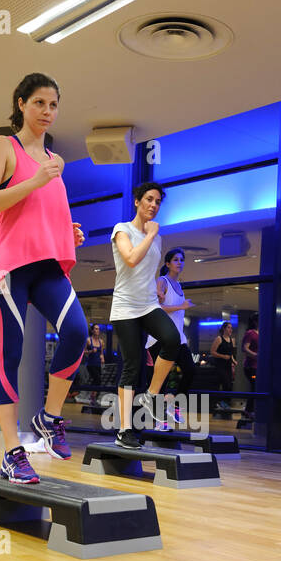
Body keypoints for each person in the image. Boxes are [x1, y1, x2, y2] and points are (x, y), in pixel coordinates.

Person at [0, 73, 87, 484]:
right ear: (21, 103)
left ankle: (49, 417)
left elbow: (40, 211)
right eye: (39, 102)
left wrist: (65, 230)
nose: (47, 111)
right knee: (11, 353)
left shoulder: (54, 160)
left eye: (54, 105)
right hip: (9, 267)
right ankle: (11, 452)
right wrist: (35, 179)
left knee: (77, 330)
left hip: (47, 264)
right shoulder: (3, 146)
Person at [109, 183, 179, 448]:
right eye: (149, 199)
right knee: (132, 365)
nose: (153, 205)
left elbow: (147, 272)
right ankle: (124, 430)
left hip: (149, 304)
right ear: (137, 202)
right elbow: (130, 259)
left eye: (158, 201)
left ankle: (151, 394)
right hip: (125, 307)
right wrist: (149, 235)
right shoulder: (122, 229)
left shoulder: (156, 237)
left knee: (172, 339)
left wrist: (157, 293)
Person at [146, 248, 196, 426]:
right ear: (167, 264)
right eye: (176, 260)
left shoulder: (179, 286)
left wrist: (182, 306)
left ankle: (173, 403)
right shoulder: (162, 281)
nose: (179, 263)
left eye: (182, 260)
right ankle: (160, 421)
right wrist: (181, 307)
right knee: (162, 378)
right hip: (160, 337)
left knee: (190, 369)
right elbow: (155, 308)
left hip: (178, 337)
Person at [76, 323, 106, 405]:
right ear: (92, 330)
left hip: (98, 364)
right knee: (97, 379)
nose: (97, 330)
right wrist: (91, 351)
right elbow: (83, 352)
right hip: (90, 364)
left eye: (98, 329)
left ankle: (93, 398)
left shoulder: (101, 341)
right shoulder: (88, 340)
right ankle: (92, 397)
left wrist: (102, 357)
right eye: (96, 329)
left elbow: (101, 353)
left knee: (98, 381)